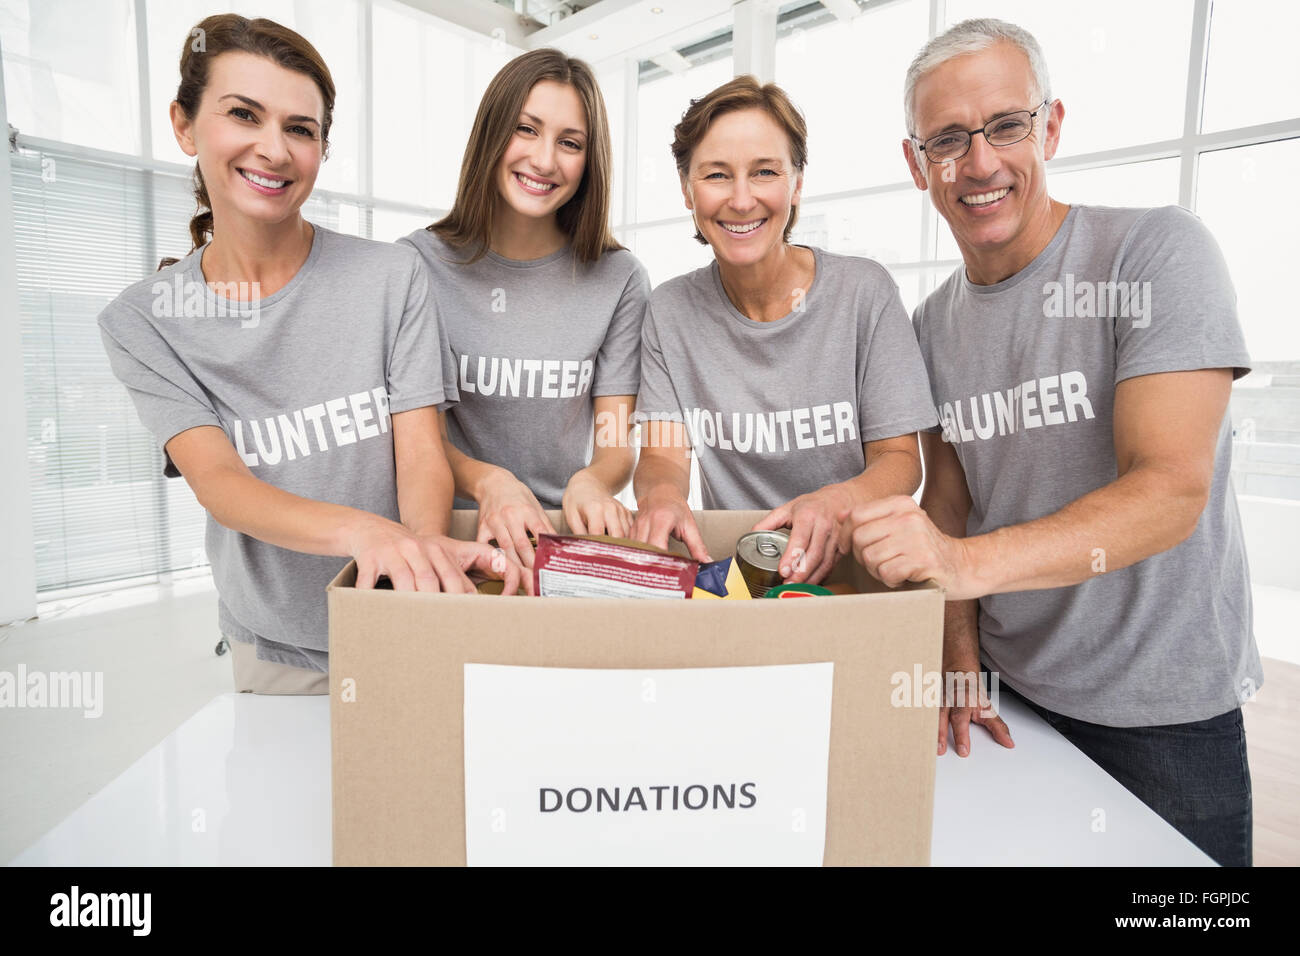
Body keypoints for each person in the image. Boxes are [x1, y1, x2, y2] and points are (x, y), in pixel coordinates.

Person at [844, 17, 1260, 866]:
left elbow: (1172, 486)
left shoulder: (1154, 254)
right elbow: (950, 501)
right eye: (948, 140)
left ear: (1051, 126)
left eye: (1006, 125)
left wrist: (959, 567)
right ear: (917, 164)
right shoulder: (927, 329)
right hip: (1013, 699)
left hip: (1165, 717)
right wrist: (959, 648)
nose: (981, 162)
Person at [98, 14, 525, 696]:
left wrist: (415, 556)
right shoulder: (142, 321)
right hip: (279, 651)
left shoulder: (391, 277)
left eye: (301, 128)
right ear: (184, 126)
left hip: (403, 622)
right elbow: (223, 485)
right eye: (244, 114)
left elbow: (419, 449)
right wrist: (369, 535)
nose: (274, 149)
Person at [631, 76, 937, 584]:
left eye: (765, 172)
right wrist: (661, 497)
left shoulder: (864, 292)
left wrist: (836, 501)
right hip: (736, 581)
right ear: (688, 190)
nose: (743, 199)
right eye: (716, 175)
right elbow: (663, 456)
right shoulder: (670, 311)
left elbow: (901, 460)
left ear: (796, 184)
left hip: (854, 576)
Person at [399, 49, 648, 571]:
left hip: (566, 540)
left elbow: (614, 442)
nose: (544, 160)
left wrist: (593, 480)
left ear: (589, 159)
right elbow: (412, 438)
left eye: (570, 143)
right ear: (491, 133)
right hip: (454, 537)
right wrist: (490, 482)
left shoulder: (619, 279)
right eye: (526, 129)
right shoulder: (413, 266)